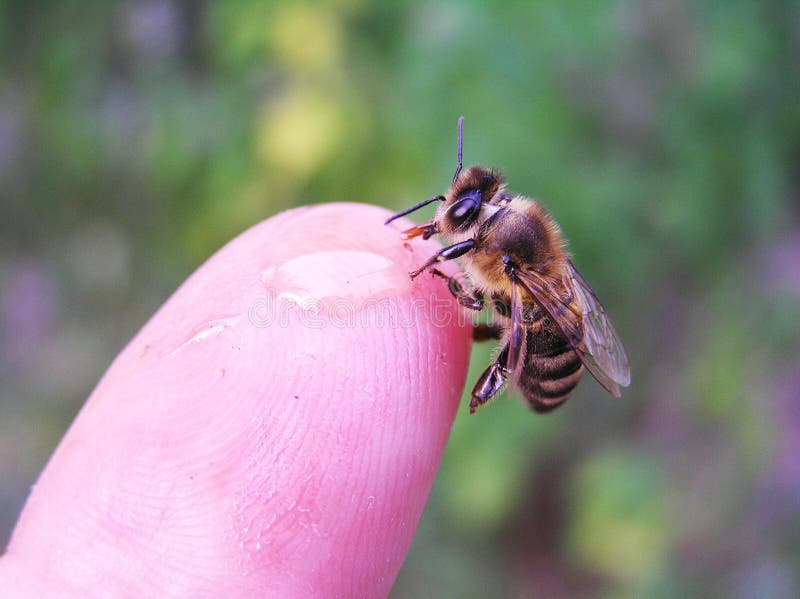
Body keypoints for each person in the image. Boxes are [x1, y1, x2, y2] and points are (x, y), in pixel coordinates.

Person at [0, 204, 472, 597]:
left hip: (535, 337)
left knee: (523, 322)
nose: (442, 220)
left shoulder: (503, 254)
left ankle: (512, 359)